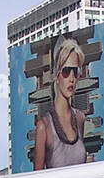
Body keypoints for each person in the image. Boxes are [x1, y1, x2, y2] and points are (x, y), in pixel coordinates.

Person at [33, 35, 90, 170]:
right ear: (57, 75)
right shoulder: (43, 127)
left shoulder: (80, 119)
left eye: (75, 72)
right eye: (66, 71)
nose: (71, 78)